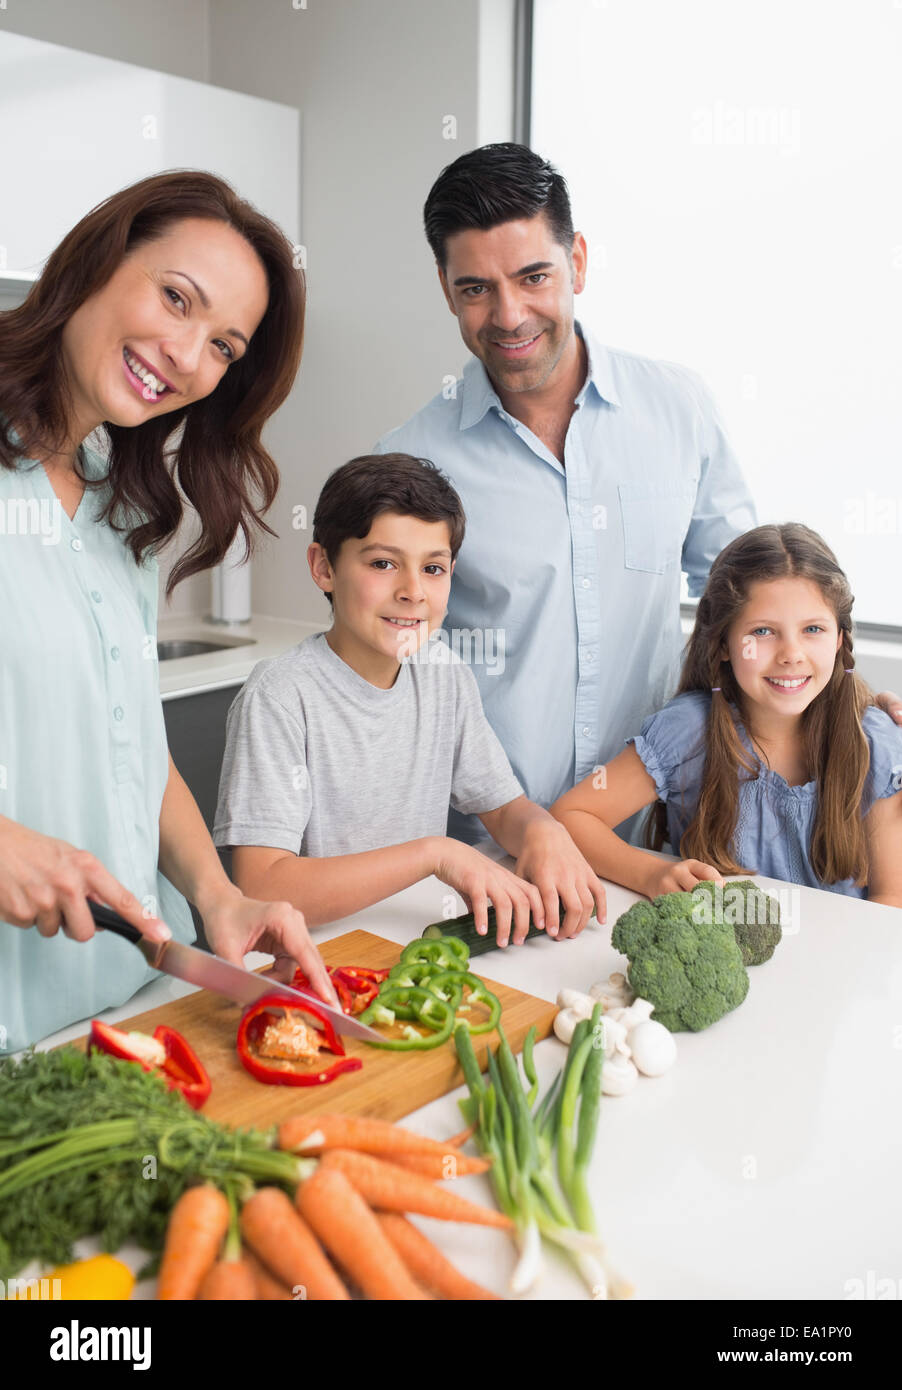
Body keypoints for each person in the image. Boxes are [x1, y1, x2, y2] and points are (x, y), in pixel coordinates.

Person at [373, 143, 902, 849]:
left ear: (579, 262)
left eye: (534, 277)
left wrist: (854, 701)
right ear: (446, 289)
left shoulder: (678, 408)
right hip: (485, 847)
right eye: (476, 289)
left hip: (655, 834)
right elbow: (381, 663)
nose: (509, 315)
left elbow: (759, 600)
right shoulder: (411, 463)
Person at [0, 170, 336, 1056]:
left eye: (224, 345)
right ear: (96, 262)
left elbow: (134, 750)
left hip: (132, 1002)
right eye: (176, 298)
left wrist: (219, 897)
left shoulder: (124, 503)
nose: (189, 357)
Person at [213, 453, 606, 945]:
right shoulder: (280, 697)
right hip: (314, 960)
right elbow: (262, 884)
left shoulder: (445, 677)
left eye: (434, 569)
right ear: (323, 567)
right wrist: (435, 854)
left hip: (411, 941)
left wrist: (543, 831)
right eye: (383, 563)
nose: (413, 591)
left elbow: (503, 809)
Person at [550, 524, 902, 907]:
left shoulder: (872, 742)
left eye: (813, 629)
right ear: (722, 644)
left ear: (838, 640)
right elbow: (571, 815)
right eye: (763, 631)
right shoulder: (688, 733)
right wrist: (650, 874)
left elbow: (891, 896)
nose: (791, 654)